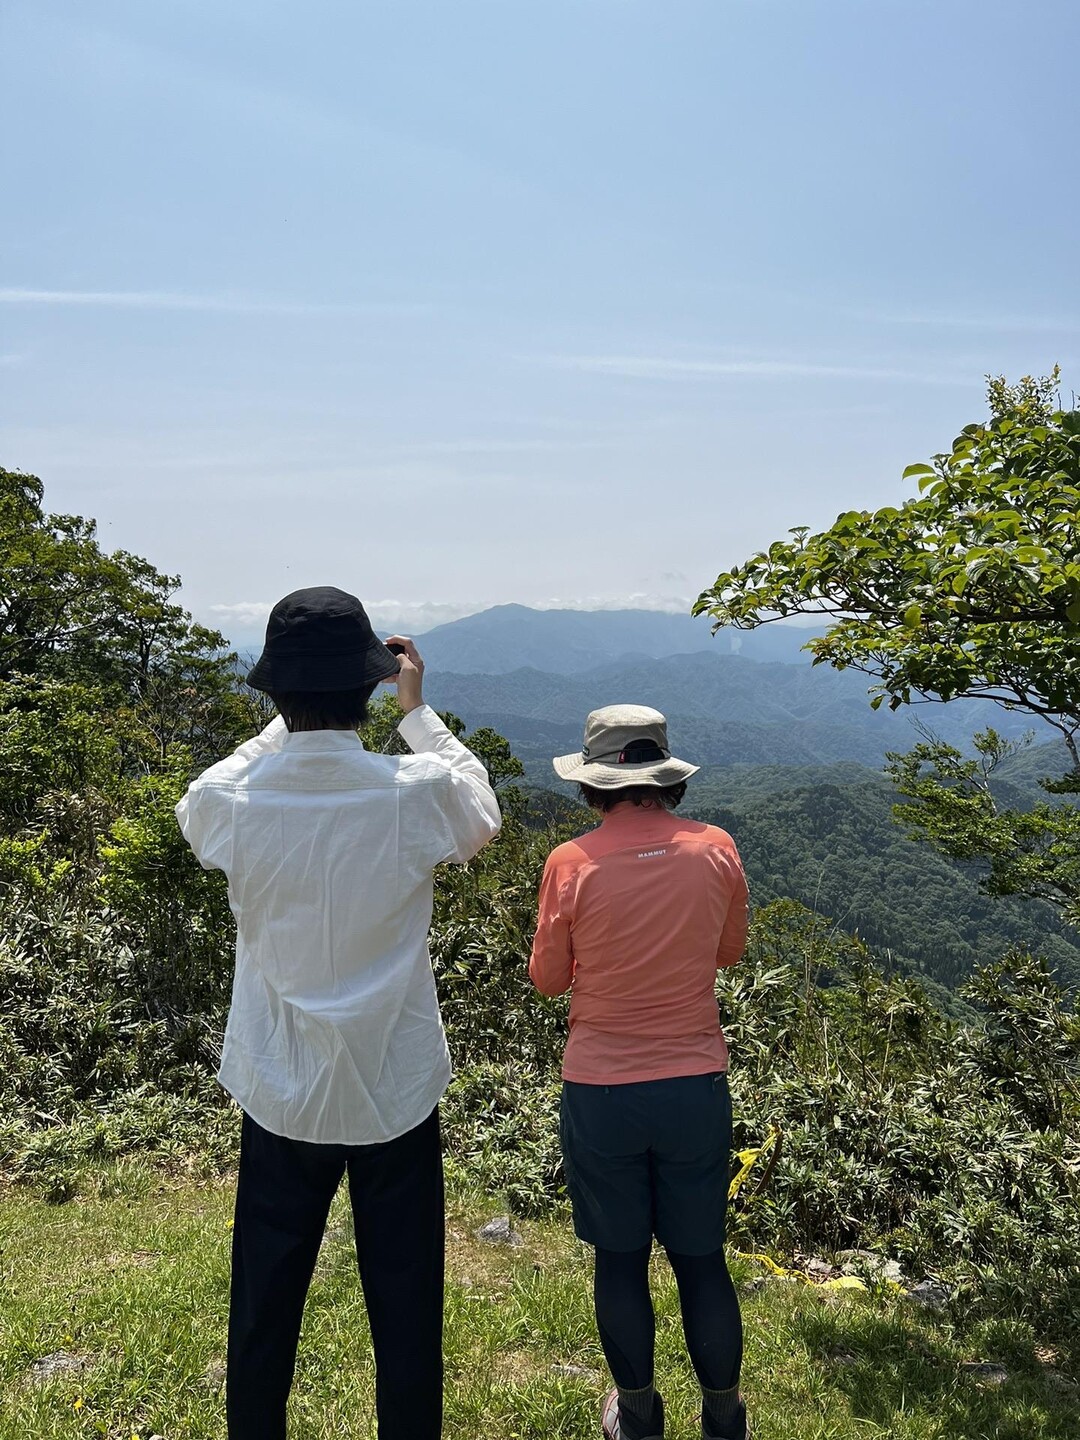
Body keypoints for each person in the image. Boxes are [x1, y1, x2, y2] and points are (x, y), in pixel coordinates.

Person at [175, 586, 501, 1440]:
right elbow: (482, 804)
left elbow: (203, 792)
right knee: (407, 1306)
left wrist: (284, 728)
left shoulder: (232, 806)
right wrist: (415, 710)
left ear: (275, 691)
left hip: (280, 1086)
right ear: (370, 684)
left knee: (263, 1304)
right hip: (394, 1086)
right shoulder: (412, 794)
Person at [529, 705, 751, 1440]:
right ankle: (723, 1418)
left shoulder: (570, 862)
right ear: (665, 778)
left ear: (593, 782)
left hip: (601, 1091)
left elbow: (549, 981)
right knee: (702, 1260)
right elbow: (728, 953)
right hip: (694, 1085)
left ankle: (637, 1414)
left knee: (619, 1262)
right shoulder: (716, 848)